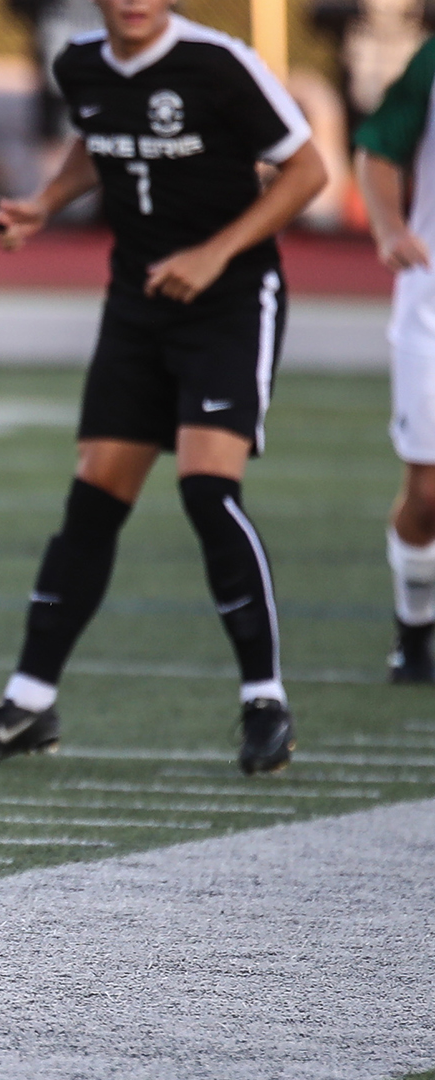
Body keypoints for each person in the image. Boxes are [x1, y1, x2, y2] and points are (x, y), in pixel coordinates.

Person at [0, 0, 327, 774]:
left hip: (229, 301)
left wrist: (215, 254)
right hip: (136, 303)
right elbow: (99, 142)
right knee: (93, 500)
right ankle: (29, 704)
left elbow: (308, 171)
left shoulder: (218, 64)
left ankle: (265, 702)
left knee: (206, 490)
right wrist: (42, 205)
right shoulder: (80, 64)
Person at [353, 38, 435, 682]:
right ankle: (415, 626)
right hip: (431, 306)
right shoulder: (432, 63)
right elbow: (378, 149)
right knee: (428, 493)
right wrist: (387, 227)